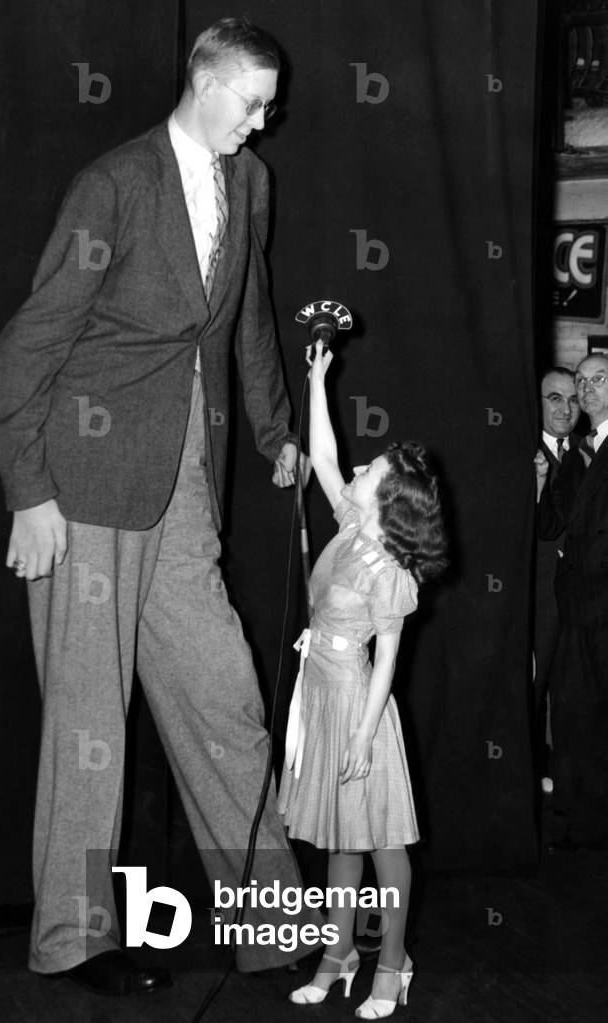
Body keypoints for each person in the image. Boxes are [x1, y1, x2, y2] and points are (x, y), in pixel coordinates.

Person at [0, 17, 322, 995]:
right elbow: (27, 344)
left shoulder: (248, 184)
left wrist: (274, 435)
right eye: (251, 102)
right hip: (83, 482)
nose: (262, 124)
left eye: (269, 106)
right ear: (203, 83)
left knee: (224, 698)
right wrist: (29, 495)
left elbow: (248, 316)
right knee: (90, 723)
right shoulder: (116, 183)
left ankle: (268, 921)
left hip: (182, 486)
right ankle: (73, 941)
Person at [277, 341, 448, 1018]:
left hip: (358, 706)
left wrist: (363, 733)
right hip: (318, 690)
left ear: (385, 496)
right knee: (337, 836)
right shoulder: (353, 524)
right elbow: (320, 456)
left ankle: (392, 963)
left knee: (381, 844)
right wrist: (317, 380)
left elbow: (389, 661)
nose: (354, 466)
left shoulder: (390, 571)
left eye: (367, 468)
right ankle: (337, 951)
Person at [537, 352, 608, 850]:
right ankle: (583, 816)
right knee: (577, 714)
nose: (586, 391)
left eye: (598, 380)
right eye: (581, 381)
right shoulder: (587, 449)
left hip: (599, 607)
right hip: (580, 609)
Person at [532, 368, 581, 789]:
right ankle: (531, 767)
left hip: (580, 595)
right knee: (535, 680)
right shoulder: (525, 455)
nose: (565, 408)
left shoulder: (588, 454)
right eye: (554, 398)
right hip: (540, 592)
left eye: (572, 399)